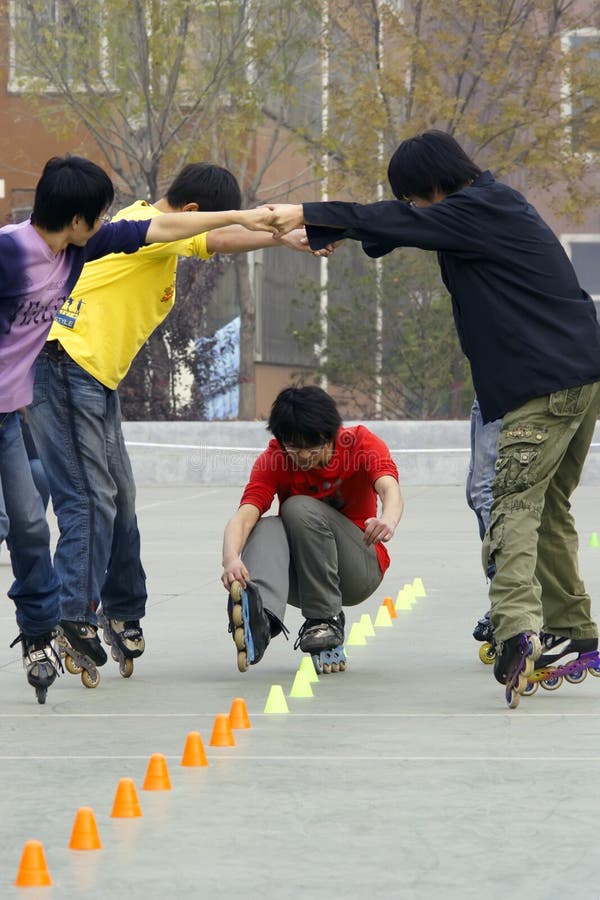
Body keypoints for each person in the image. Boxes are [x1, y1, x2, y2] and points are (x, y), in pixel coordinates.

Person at [266, 129, 600, 707]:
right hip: (578, 379)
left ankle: (517, 627)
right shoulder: (491, 204)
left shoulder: (477, 210)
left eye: (416, 198)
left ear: (434, 186)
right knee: (546, 507)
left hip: (539, 387)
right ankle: (573, 629)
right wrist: (333, 230)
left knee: (510, 505)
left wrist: (308, 211)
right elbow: (400, 225)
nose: (415, 209)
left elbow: (406, 222)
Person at [26, 163, 332, 688]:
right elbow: (196, 232)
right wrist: (260, 220)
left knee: (120, 494)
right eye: (201, 221)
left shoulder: (174, 239)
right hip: (64, 362)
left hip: (96, 378)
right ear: (191, 211)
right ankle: (72, 611)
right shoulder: (144, 225)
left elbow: (216, 242)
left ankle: (121, 610)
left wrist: (281, 241)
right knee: (88, 494)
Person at [221, 385, 403, 673]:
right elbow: (244, 516)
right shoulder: (274, 459)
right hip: (307, 577)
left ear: (331, 434)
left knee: (297, 507)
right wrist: (231, 558)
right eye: (294, 447)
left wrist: (389, 519)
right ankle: (262, 616)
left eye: (313, 447)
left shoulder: (359, 444)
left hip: (359, 569)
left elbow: (388, 487)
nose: (303, 457)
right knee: (265, 525)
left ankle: (325, 618)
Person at [467, 396, 501, 652]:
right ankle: (505, 598)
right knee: (475, 492)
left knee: (485, 491)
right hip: (486, 388)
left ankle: (510, 598)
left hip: (503, 387)